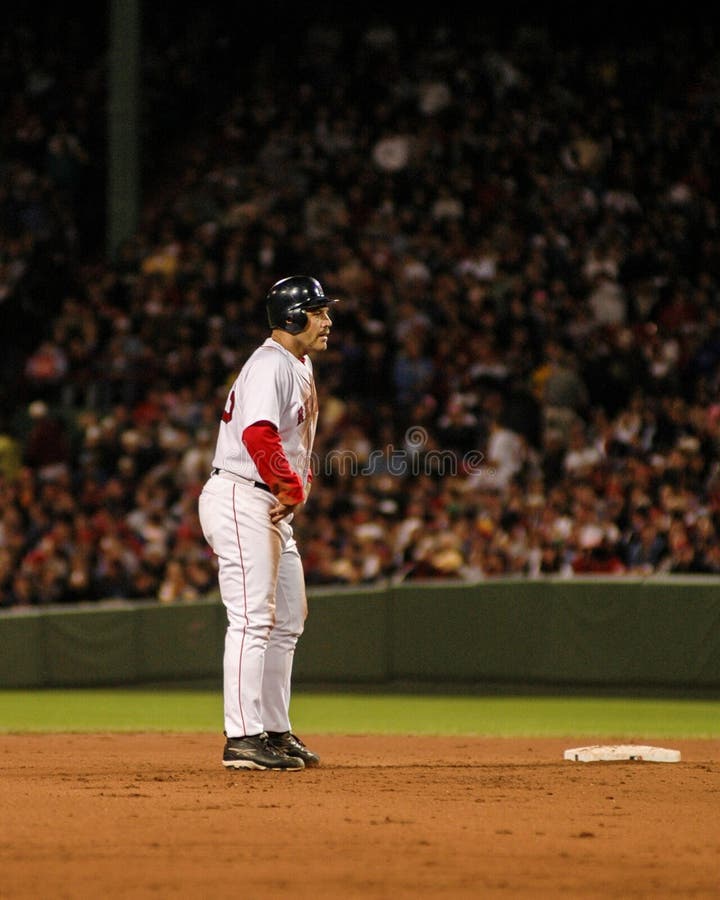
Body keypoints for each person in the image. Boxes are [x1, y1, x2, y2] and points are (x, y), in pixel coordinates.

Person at [198, 276, 337, 770]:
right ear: (293, 316)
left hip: (265, 502)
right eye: (318, 312)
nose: (327, 321)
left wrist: (297, 477)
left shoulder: (298, 364)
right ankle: (242, 738)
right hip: (241, 494)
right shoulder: (269, 364)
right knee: (254, 618)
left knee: (289, 617)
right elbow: (258, 434)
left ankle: (274, 730)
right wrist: (288, 484)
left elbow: (286, 436)